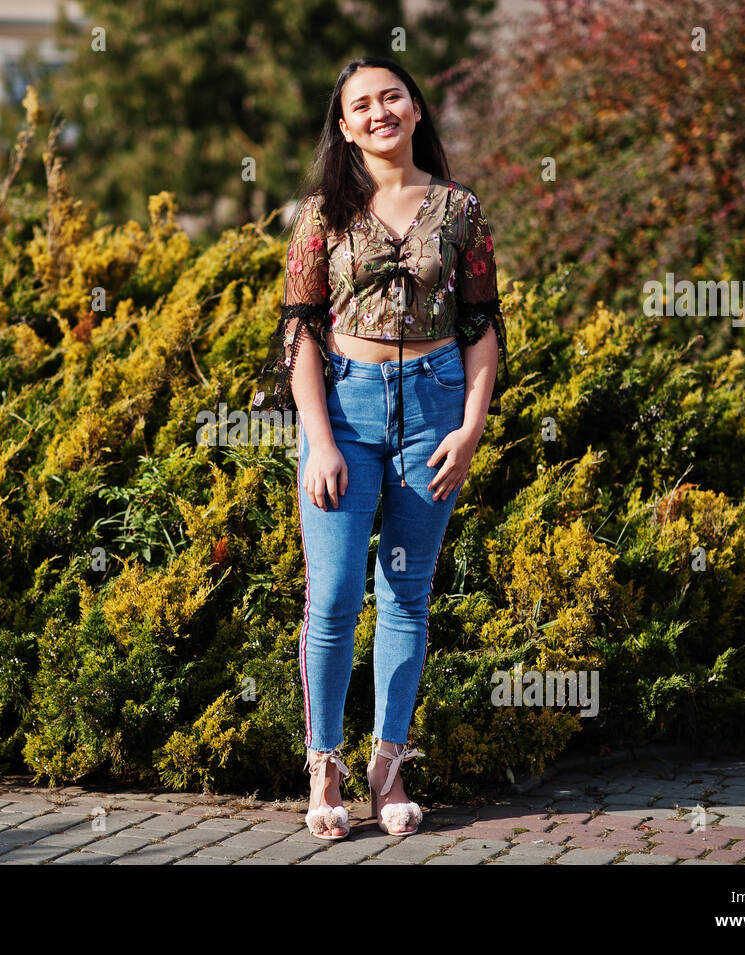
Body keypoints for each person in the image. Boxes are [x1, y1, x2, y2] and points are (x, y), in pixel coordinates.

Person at [251, 56, 510, 841]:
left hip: (434, 408)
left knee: (406, 594)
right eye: (360, 104)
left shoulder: (459, 209)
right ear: (343, 125)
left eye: (391, 97)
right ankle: (323, 761)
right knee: (331, 599)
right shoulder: (322, 212)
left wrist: (469, 428)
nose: (378, 112)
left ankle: (388, 762)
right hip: (348, 409)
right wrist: (319, 439)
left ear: (416, 109)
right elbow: (298, 332)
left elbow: (482, 326)